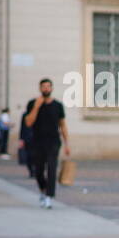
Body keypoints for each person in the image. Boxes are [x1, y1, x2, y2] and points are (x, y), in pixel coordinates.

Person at [22, 78, 70, 208]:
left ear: (52, 88)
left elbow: (63, 125)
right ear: (40, 88)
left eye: (48, 86)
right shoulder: (32, 103)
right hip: (37, 142)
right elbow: (28, 122)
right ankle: (43, 190)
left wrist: (67, 144)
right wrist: (36, 107)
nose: (46, 89)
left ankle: (49, 196)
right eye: (44, 86)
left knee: (51, 169)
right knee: (38, 171)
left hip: (53, 142)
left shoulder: (58, 105)